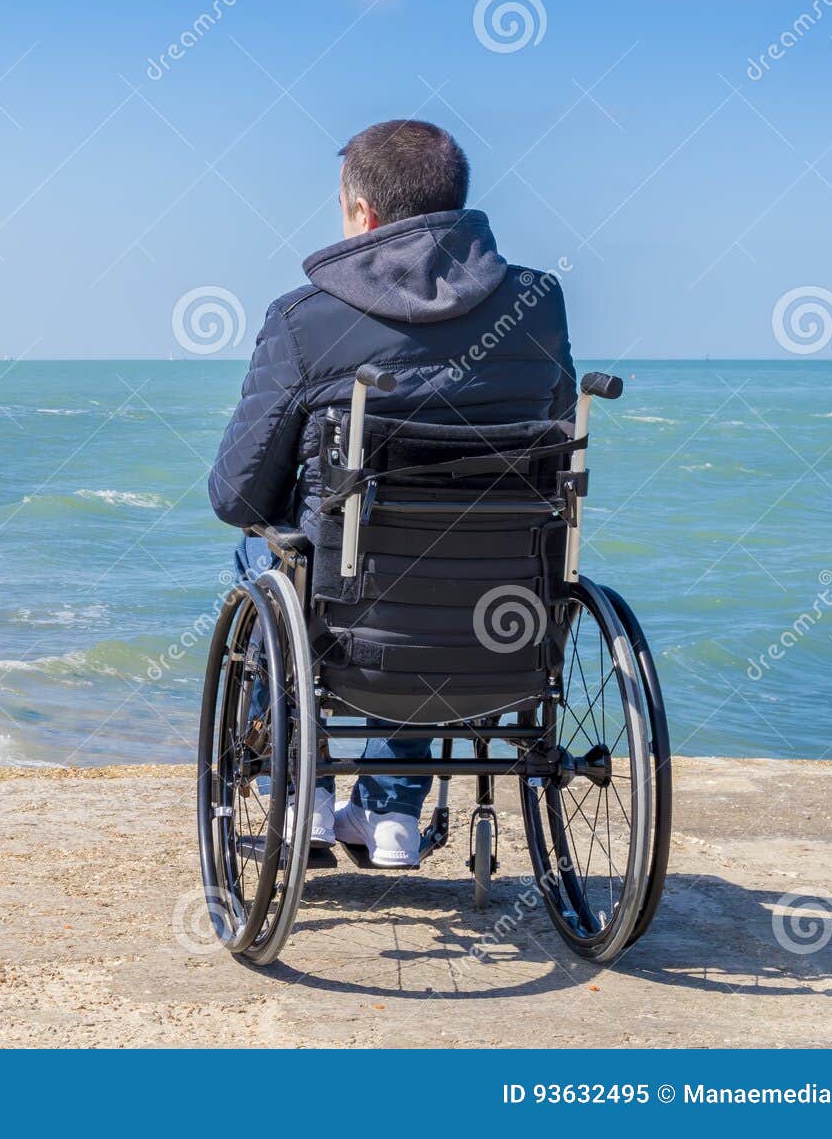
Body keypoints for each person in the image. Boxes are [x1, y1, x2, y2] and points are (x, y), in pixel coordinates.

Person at [207, 119, 575, 866]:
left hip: (354, 617)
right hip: (501, 616)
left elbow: (238, 496)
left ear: (362, 213)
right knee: (436, 559)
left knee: (274, 557)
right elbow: (560, 429)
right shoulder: (538, 303)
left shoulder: (304, 319)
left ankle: (301, 796)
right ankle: (392, 812)